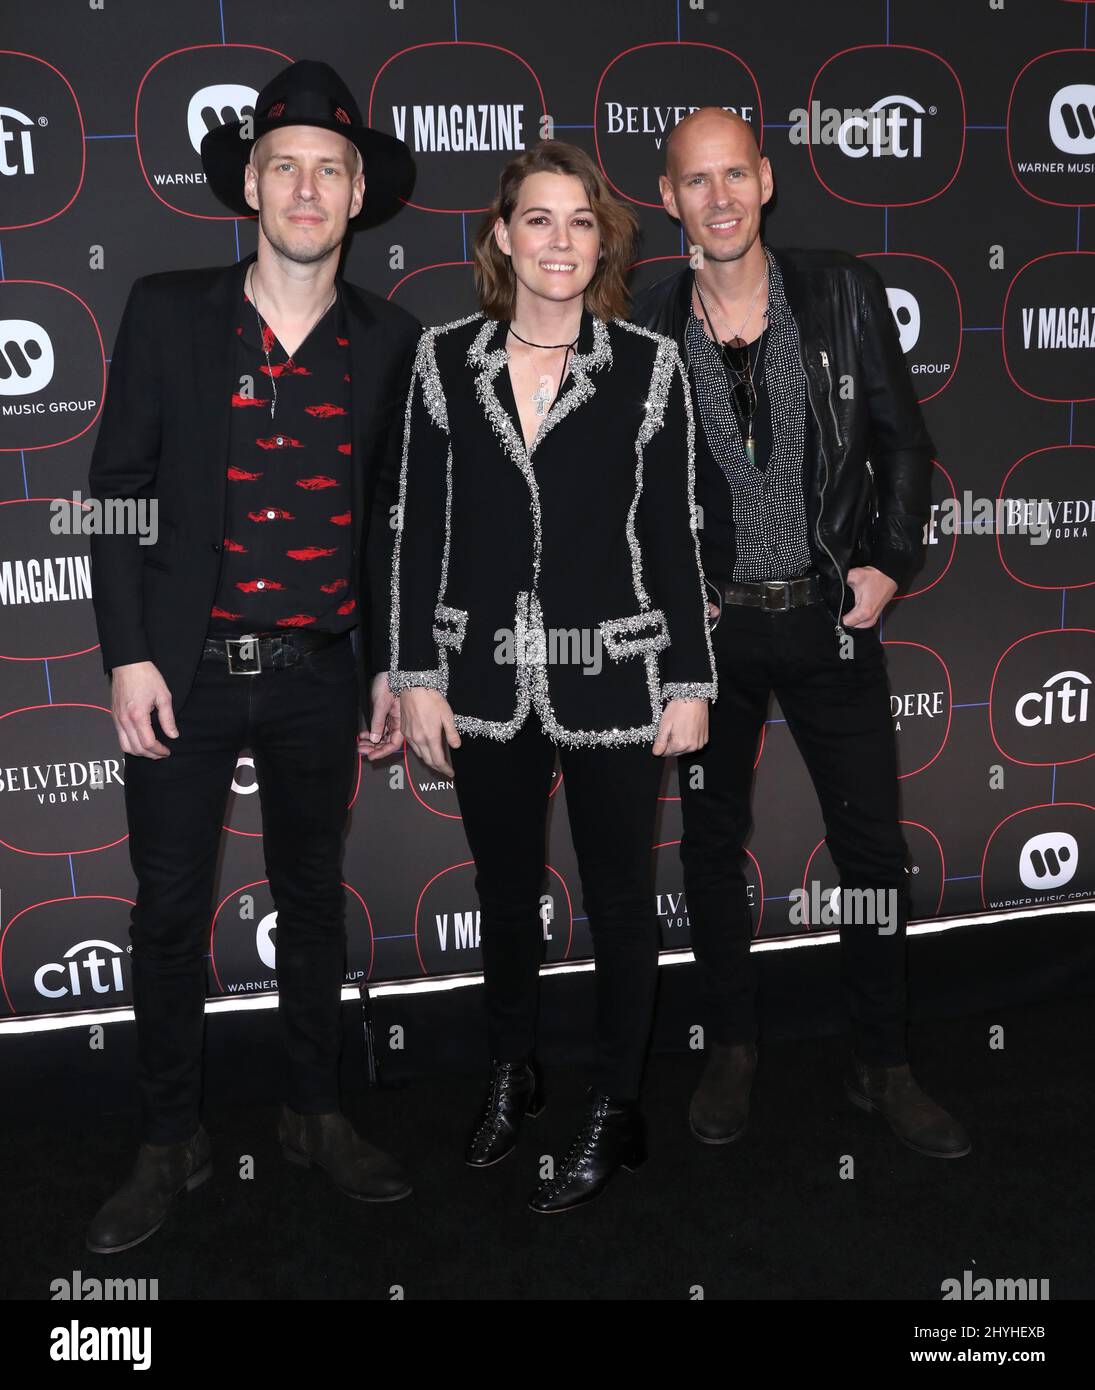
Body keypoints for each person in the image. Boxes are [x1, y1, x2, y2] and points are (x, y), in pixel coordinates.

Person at [85, 60, 421, 1254]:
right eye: (284, 166)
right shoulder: (168, 309)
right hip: (184, 674)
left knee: (314, 902)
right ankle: (167, 1136)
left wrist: (392, 664)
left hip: (322, 673)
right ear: (249, 184)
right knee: (169, 910)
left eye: (328, 169)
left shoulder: (395, 342)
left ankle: (314, 1113)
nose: (306, 188)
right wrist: (128, 655)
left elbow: (395, 522)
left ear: (358, 189)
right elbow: (116, 493)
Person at [631, 106, 970, 1158]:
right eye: (698, 180)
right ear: (671, 197)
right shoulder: (644, 316)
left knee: (870, 847)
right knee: (709, 847)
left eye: (736, 174)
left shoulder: (839, 290)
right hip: (712, 635)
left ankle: (881, 1062)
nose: (720, 197)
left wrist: (888, 561)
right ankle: (732, 1045)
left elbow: (902, 440)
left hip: (827, 619)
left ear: (766, 181)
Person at [389, 140, 717, 1213]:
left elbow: (672, 535)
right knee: (502, 887)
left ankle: (618, 1107)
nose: (560, 240)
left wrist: (691, 680)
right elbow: (419, 531)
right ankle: (510, 1068)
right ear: (502, 235)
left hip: (615, 677)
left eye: (581, 222)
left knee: (622, 900)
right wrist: (414, 675)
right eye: (539, 218)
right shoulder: (442, 359)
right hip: (482, 675)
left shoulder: (646, 366)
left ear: (604, 241)